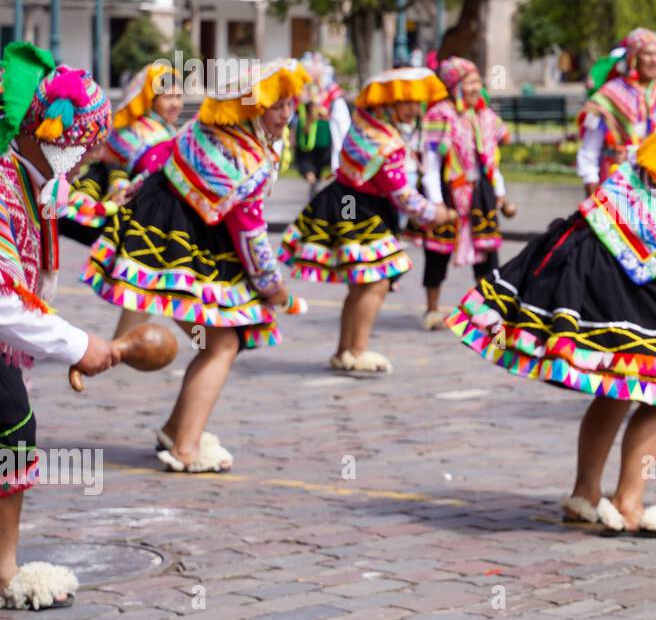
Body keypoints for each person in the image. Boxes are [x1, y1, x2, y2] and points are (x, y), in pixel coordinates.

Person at [445, 102, 656, 535]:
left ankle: (585, 493)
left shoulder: (644, 172)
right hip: (620, 286)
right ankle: (629, 502)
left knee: (617, 384)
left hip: (582, 270)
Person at [83, 60, 310, 472]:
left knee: (215, 343)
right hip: (181, 251)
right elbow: (249, 232)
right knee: (220, 344)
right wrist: (272, 286)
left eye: (288, 104)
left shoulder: (204, 133)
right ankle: (184, 445)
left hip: (165, 240)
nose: (285, 114)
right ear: (250, 108)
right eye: (276, 105)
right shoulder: (245, 161)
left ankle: (177, 429)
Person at [0, 43, 118, 610]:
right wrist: (78, 344)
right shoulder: (2, 184)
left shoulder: (31, 174)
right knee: (12, 430)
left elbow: (69, 217)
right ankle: (3, 571)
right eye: (87, 140)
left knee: (11, 429)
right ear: (47, 133)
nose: (96, 149)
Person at [279, 67, 449, 372]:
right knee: (376, 282)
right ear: (387, 104)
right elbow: (401, 194)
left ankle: (345, 350)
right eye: (406, 102)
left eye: (415, 102)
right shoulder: (385, 143)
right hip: (362, 211)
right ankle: (358, 351)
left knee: (360, 283)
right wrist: (434, 214)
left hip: (346, 202)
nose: (414, 108)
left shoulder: (364, 126)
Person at [412, 57, 514, 331]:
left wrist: (500, 192)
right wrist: (435, 202)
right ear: (454, 85)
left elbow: (492, 161)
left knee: (488, 251)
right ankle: (432, 310)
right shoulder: (439, 115)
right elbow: (430, 163)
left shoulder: (485, 116)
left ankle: (486, 309)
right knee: (438, 251)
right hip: (449, 191)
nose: (475, 88)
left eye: (477, 82)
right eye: (469, 82)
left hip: (480, 191)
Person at [58, 62, 182, 247]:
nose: (176, 104)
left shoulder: (169, 131)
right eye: (168, 97)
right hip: (131, 221)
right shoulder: (135, 132)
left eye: (179, 96)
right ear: (150, 99)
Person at [576, 29, 656, 194]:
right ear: (633, 57)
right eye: (647, 54)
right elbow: (590, 148)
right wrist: (590, 181)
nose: (653, 60)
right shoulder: (609, 96)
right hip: (617, 187)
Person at [292, 53, 341, 201]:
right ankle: (313, 180)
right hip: (307, 128)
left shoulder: (327, 88)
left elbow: (336, 102)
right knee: (307, 159)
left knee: (316, 160)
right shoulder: (302, 89)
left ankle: (315, 181)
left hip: (320, 129)